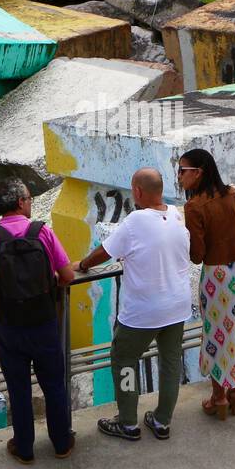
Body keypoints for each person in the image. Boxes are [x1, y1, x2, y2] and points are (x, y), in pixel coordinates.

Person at [74, 168, 191, 442]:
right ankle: (162, 421)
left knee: (124, 360)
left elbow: (104, 253)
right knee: (171, 362)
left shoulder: (136, 221)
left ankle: (128, 422)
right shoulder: (175, 214)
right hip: (177, 305)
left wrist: (81, 265)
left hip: (144, 311)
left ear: (137, 192)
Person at [0, 178, 76, 464]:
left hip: (9, 328)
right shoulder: (43, 232)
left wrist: (6, 294)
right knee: (54, 384)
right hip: (43, 322)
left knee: (18, 389)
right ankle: (62, 443)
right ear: (20, 202)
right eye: (29, 198)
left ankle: (25, 448)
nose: (30, 203)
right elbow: (68, 276)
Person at [177, 148, 235, 419]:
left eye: (183, 171)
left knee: (217, 336)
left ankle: (219, 397)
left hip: (218, 279)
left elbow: (197, 255)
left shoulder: (194, 207)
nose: (179, 177)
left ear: (198, 173)